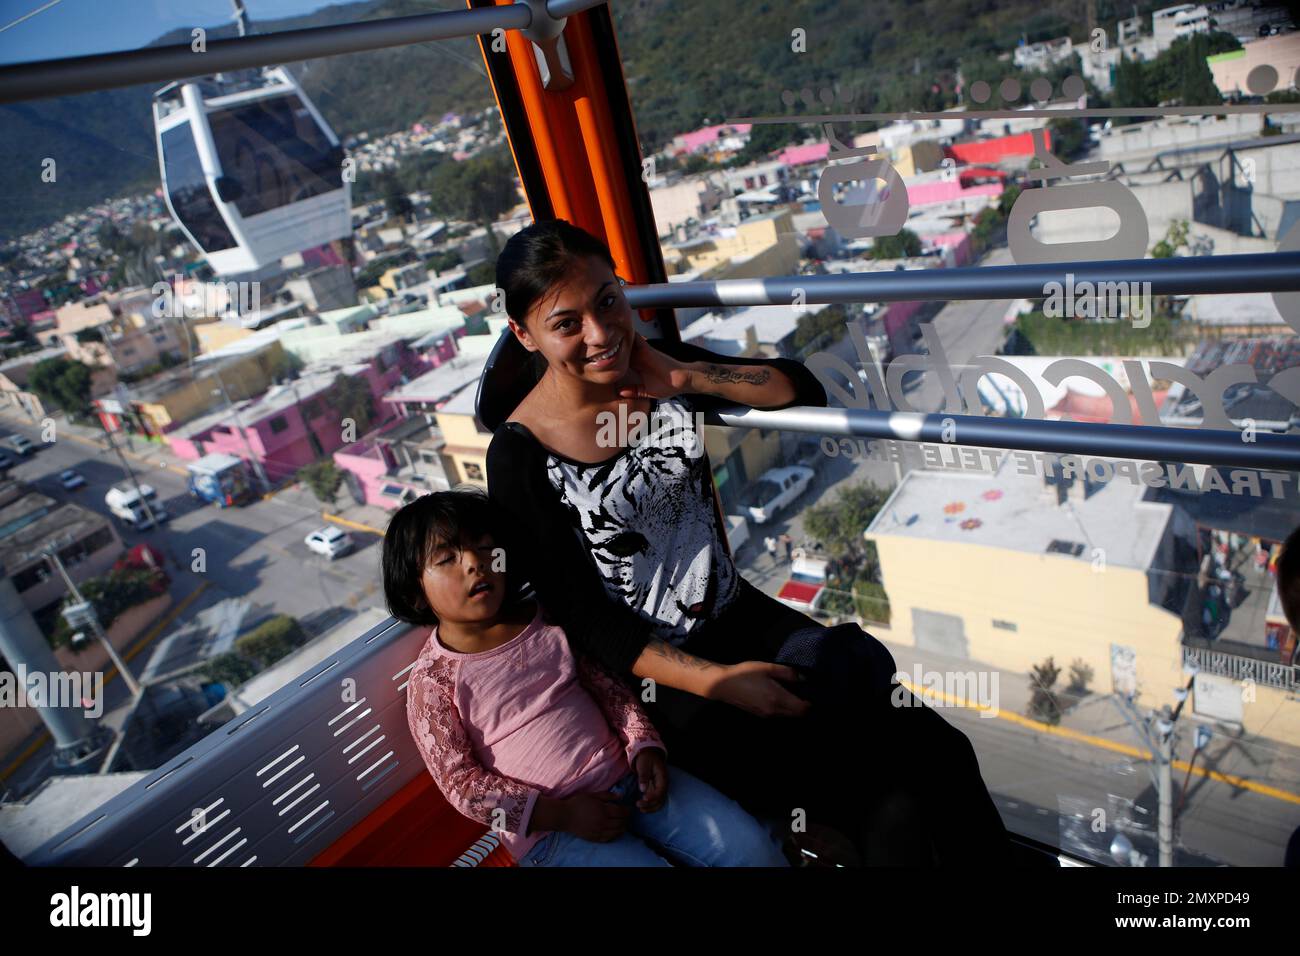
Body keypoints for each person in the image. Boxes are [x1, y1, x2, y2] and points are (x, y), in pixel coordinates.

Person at [484, 219, 1012, 866]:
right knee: (883, 809)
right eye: (567, 324)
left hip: (743, 616)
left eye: (608, 301)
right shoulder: (520, 455)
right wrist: (718, 683)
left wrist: (686, 380)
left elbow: (795, 387)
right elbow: (586, 621)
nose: (600, 333)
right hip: (664, 683)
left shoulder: (652, 371)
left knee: (938, 747)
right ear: (524, 334)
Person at [385, 488, 787, 867]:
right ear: (416, 592)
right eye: (446, 559)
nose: (475, 562)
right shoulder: (435, 680)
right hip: (553, 833)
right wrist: (561, 814)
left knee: (752, 849)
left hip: (630, 779)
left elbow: (607, 687)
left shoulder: (546, 618)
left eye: (485, 546)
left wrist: (643, 746)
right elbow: (463, 784)